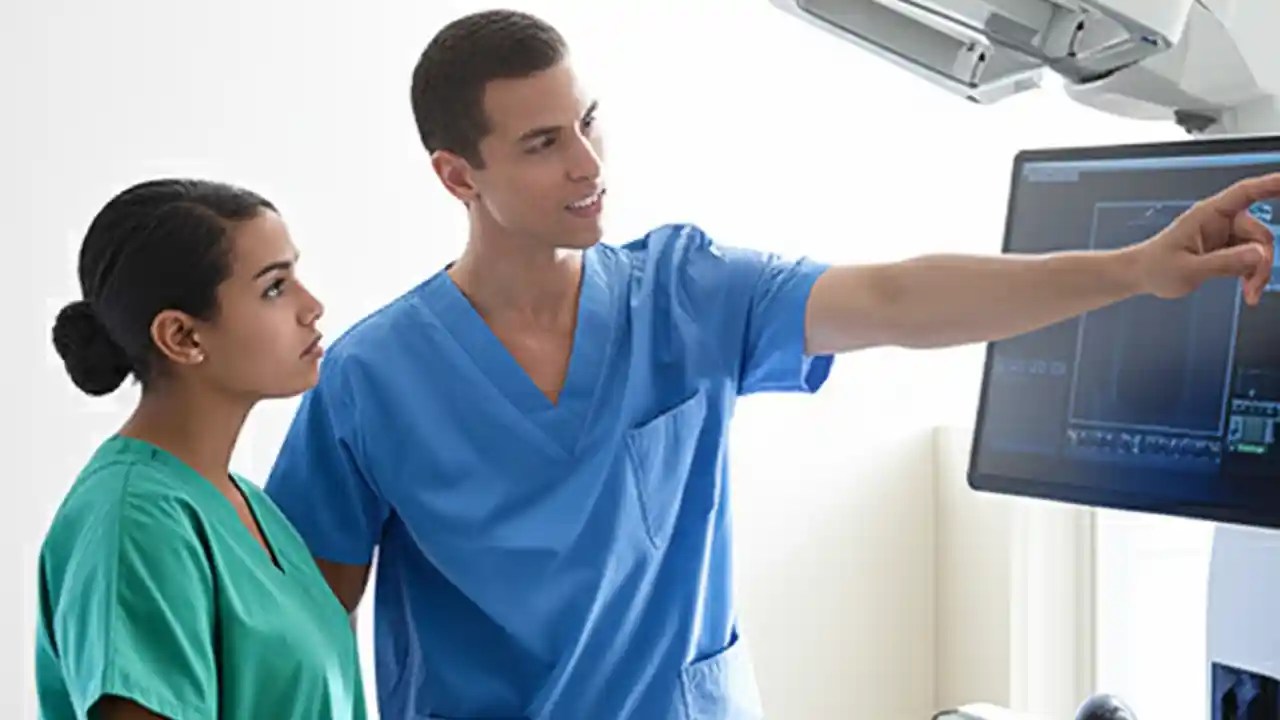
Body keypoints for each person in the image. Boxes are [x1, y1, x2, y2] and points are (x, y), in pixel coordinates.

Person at [263, 9, 1280, 720]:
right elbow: (303, 640)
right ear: (458, 175)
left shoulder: (683, 290)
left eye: (588, 119)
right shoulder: (370, 380)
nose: (587, 163)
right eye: (540, 143)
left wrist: (1133, 269)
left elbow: (892, 298)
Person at [35, 179, 366, 720]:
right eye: (275, 288)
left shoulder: (253, 509)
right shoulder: (135, 521)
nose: (312, 306)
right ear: (183, 337)